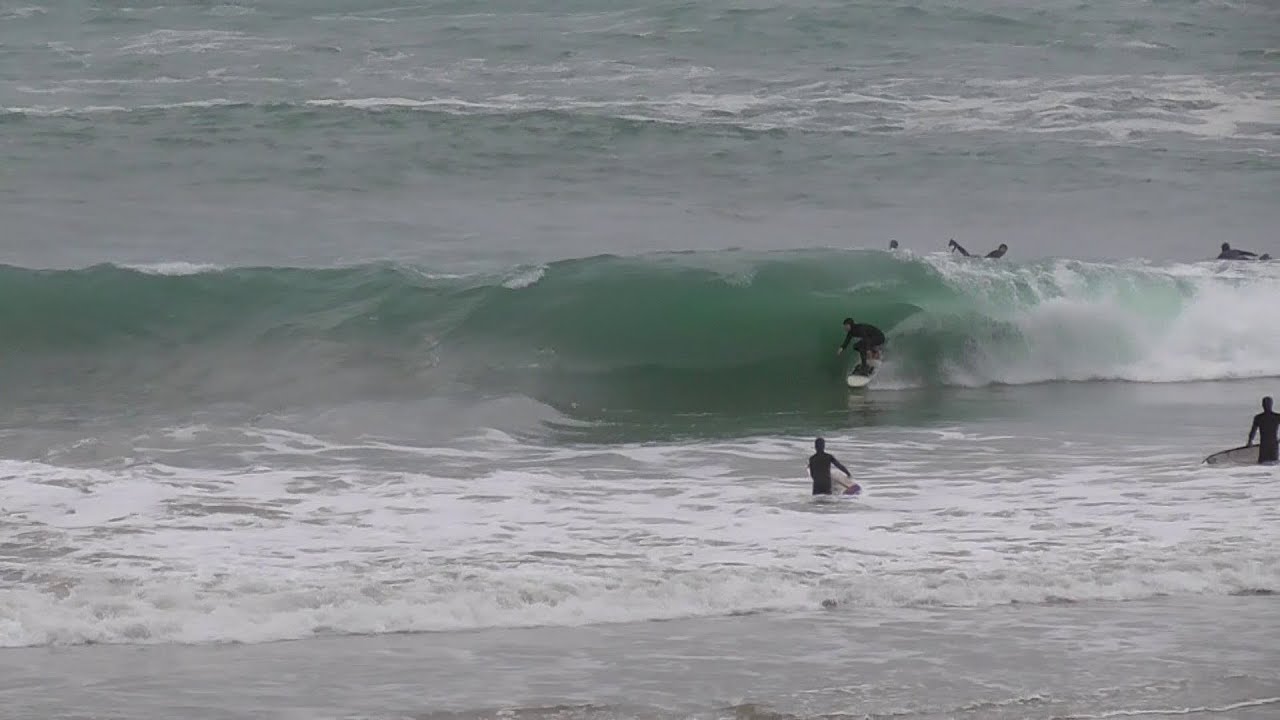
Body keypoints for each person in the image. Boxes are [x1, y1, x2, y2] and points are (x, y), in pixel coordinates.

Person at [1247, 396, 1279, 464]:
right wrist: (1250, 441)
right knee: (1273, 464)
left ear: (1262, 405)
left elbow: (1253, 431)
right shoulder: (1277, 417)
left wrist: (1250, 441)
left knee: (1262, 464)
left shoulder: (1259, 418)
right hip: (1273, 445)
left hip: (1264, 446)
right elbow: (1253, 431)